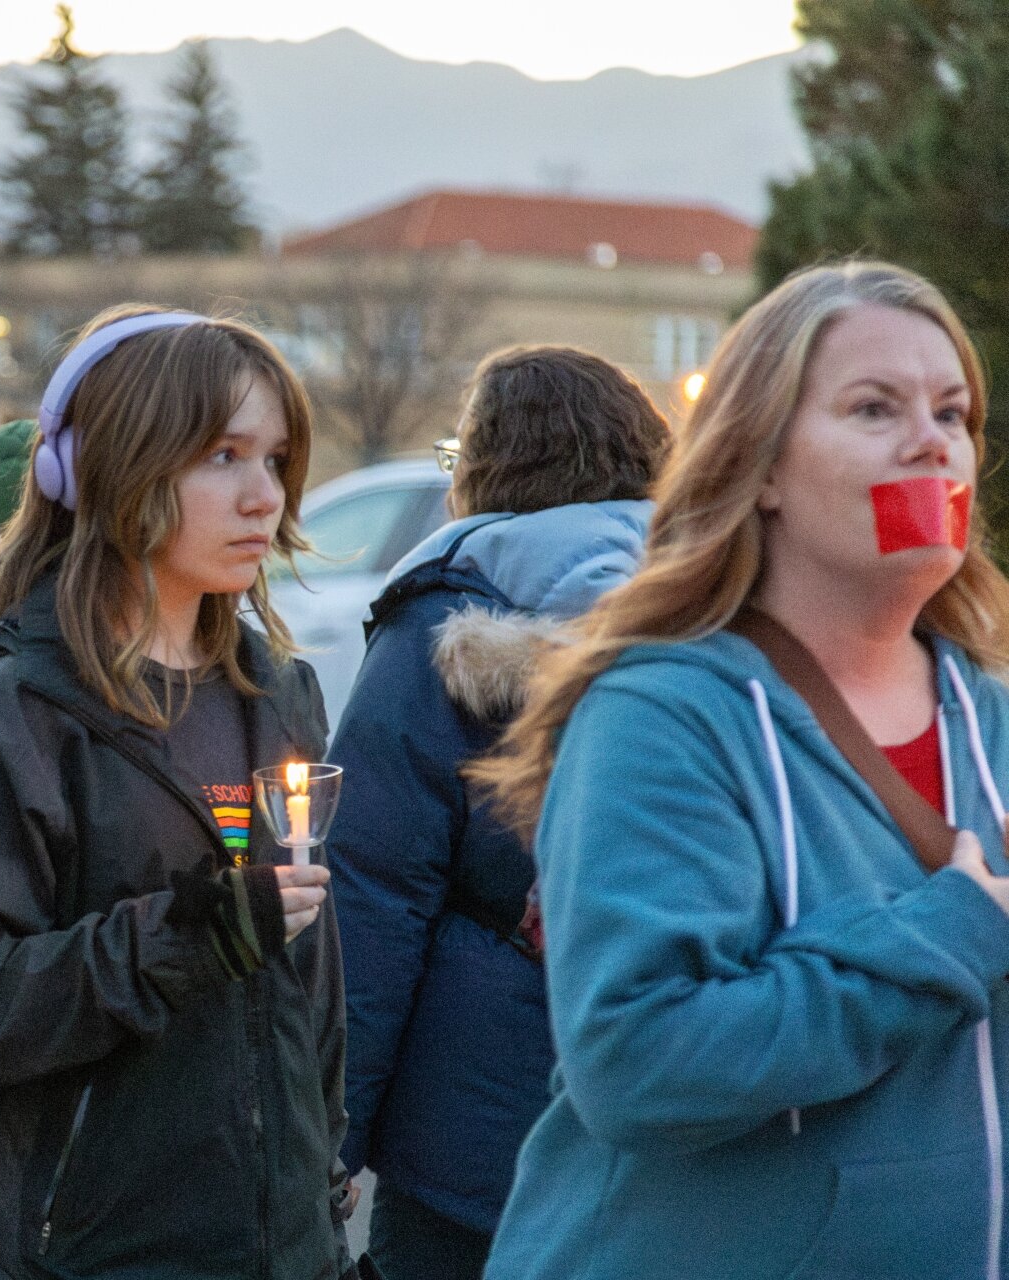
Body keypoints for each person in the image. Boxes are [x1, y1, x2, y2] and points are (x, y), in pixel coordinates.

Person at [471, 260, 1009, 1278]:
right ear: (760, 467)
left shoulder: (993, 714)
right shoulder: (660, 716)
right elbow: (639, 1060)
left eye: (953, 412)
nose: (932, 441)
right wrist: (958, 929)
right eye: (874, 407)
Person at [0, 306, 356, 1280]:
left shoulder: (279, 695)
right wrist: (182, 938)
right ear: (114, 467)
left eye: (276, 460)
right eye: (224, 455)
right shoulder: (21, 711)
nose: (264, 495)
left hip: (281, 1244)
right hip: (86, 1249)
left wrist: (318, 1169)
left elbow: (308, 972)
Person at [326, 346, 671, 1280]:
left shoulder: (443, 620)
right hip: (677, 1117)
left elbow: (372, 897)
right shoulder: (725, 609)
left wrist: (332, 1134)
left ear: (484, 466)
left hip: (472, 1141)